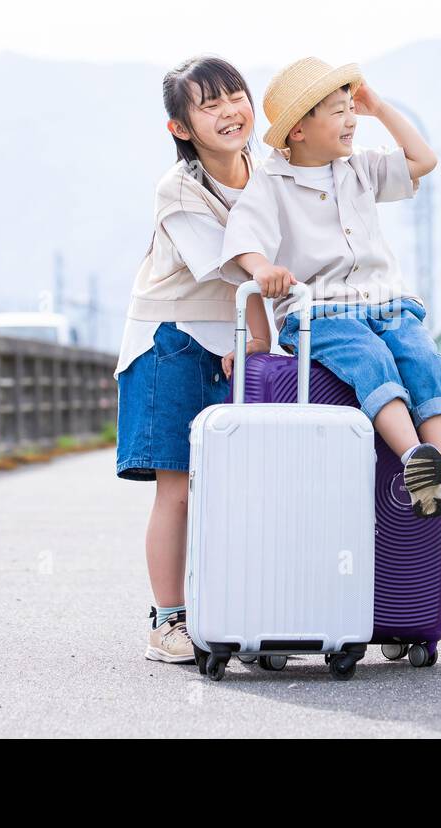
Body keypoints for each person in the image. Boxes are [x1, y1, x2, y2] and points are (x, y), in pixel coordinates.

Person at [220, 56, 441, 533]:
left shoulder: (360, 166)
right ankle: (416, 461)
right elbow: (244, 238)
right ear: (299, 131)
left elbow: (422, 160)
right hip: (323, 311)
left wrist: (378, 106)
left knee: (425, 358)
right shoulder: (271, 180)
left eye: (352, 107)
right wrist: (264, 268)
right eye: (337, 110)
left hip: (388, 302)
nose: (351, 119)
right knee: (371, 358)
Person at [114, 56, 271, 664]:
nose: (230, 111)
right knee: (176, 489)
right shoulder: (176, 190)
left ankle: (241, 612)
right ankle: (167, 620)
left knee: (241, 486)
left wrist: (259, 345)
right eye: (209, 105)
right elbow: (237, 264)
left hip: (237, 342)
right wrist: (259, 336)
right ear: (182, 128)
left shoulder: (267, 174)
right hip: (170, 338)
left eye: (236, 95)